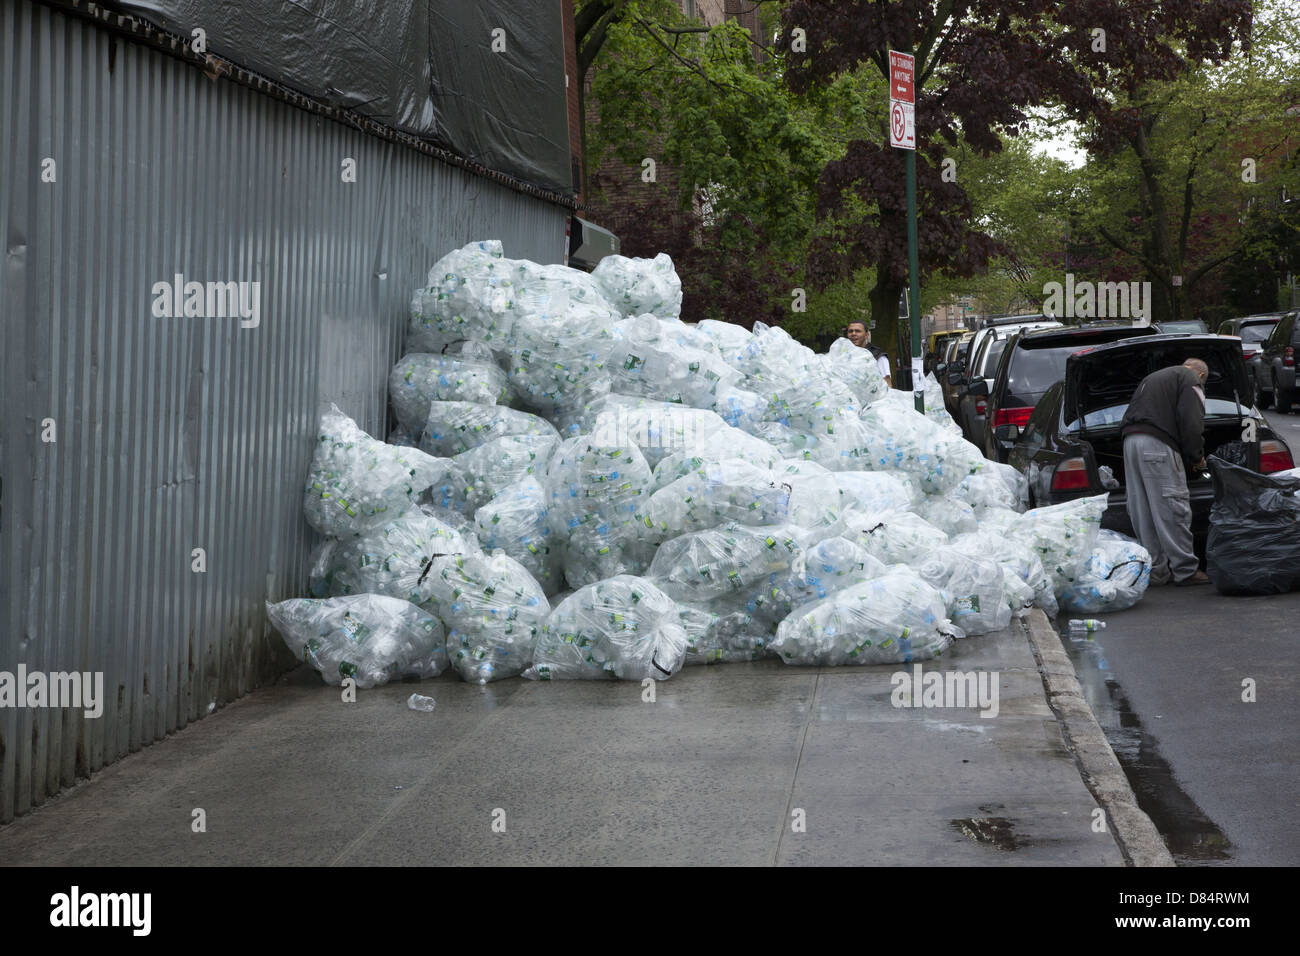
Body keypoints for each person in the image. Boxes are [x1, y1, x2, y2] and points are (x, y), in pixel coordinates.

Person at [1120, 358, 1211, 586]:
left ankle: (1156, 571)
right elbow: (1191, 421)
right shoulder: (1190, 378)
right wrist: (1195, 456)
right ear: (1201, 375)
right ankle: (1186, 570)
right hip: (1157, 445)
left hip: (1130, 442)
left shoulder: (1155, 378)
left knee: (1143, 509)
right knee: (1172, 507)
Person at [845, 320, 891, 388]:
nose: (853, 334)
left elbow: (887, 384)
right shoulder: (843, 356)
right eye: (850, 331)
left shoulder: (877, 356)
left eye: (858, 331)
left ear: (866, 335)